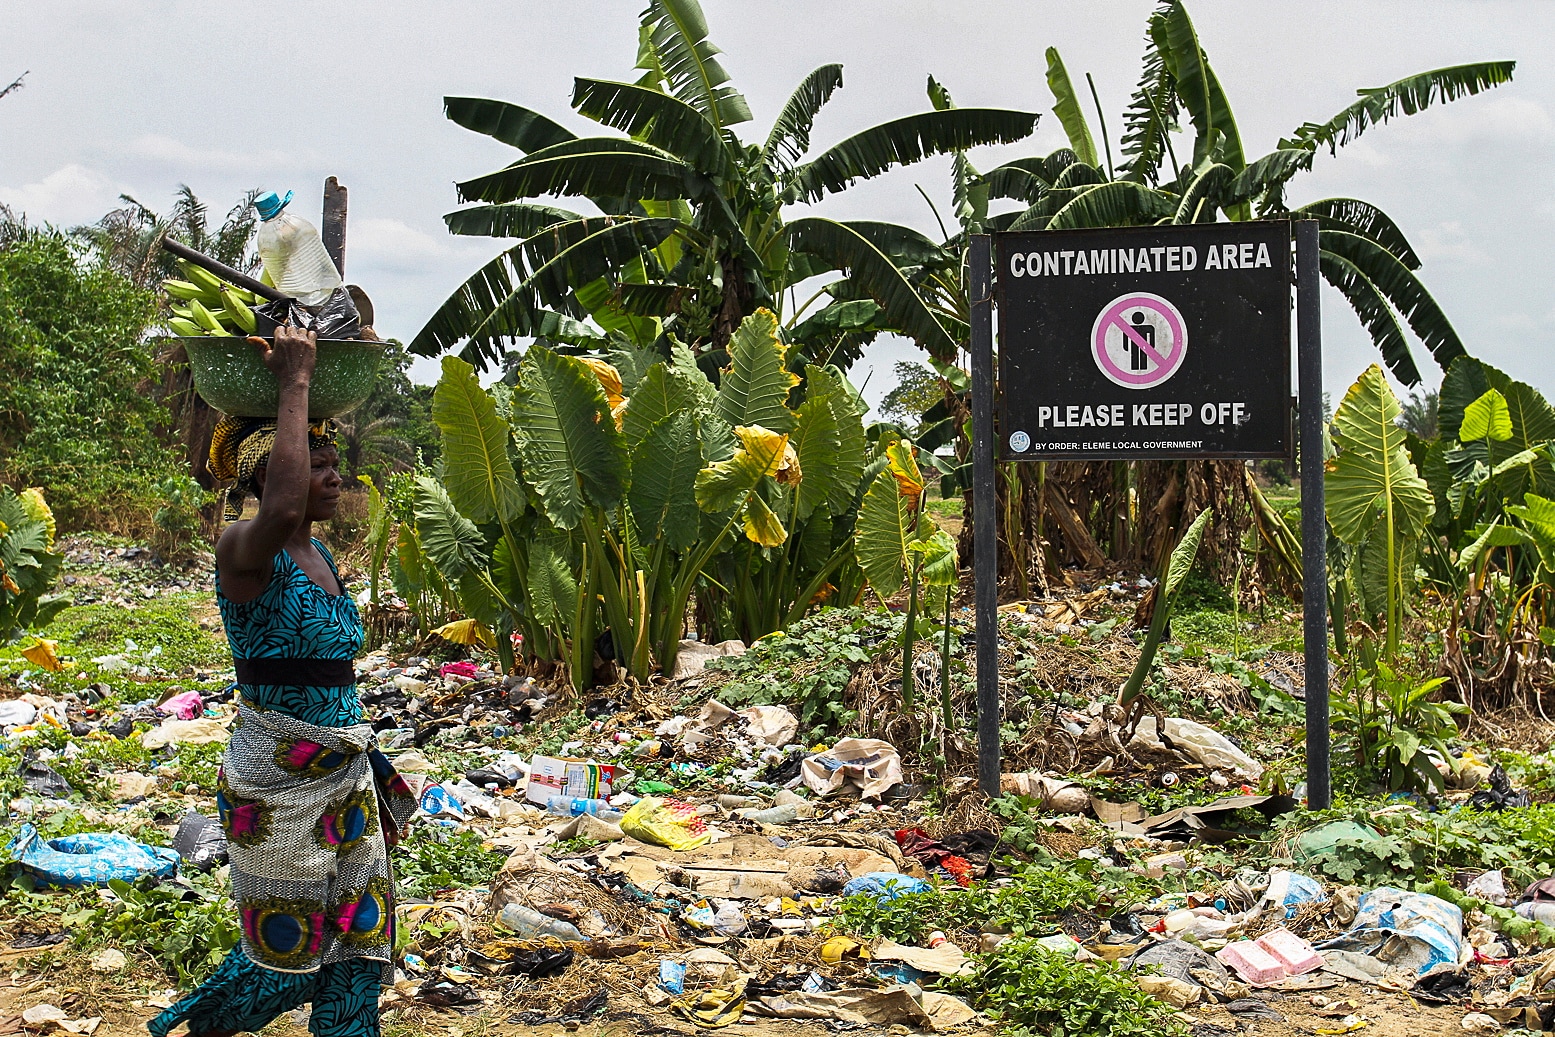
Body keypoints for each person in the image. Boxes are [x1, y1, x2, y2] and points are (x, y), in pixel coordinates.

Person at [149, 327, 415, 1037]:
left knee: (360, 940)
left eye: (336, 463)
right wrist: (295, 379)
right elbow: (282, 506)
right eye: (315, 463)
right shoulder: (244, 549)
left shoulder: (319, 551)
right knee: (280, 953)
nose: (333, 477)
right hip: (278, 784)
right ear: (268, 475)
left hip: (342, 771)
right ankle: (189, 1026)